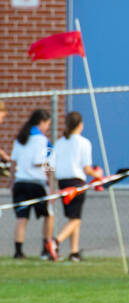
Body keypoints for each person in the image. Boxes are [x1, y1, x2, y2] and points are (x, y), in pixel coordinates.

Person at [10, 109, 54, 260]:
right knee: (48, 215)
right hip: (36, 183)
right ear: (41, 122)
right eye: (47, 124)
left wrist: (12, 181)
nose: (47, 127)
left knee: (22, 217)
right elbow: (40, 162)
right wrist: (50, 173)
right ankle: (46, 248)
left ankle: (18, 251)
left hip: (20, 182)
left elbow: (13, 161)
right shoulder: (41, 140)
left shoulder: (20, 139)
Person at [52, 112, 93, 262]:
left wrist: (51, 184)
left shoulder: (59, 143)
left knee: (73, 217)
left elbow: (50, 166)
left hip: (62, 183)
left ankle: (74, 252)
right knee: (75, 219)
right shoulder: (84, 143)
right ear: (80, 125)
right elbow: (87, 168)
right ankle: (55, 242)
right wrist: (99, 175)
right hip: (76, 183)